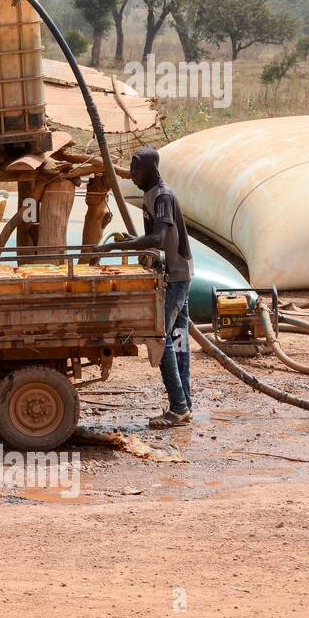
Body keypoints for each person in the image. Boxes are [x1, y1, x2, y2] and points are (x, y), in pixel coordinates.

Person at [96, 147, 194, 427]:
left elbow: (159, 239)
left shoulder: (162, 196)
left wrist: (118, 247)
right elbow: (154, 237)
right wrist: (132, 239)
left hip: (175, 276)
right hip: (175, 274)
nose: (132, 175)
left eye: (135, 169)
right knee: (179, 338)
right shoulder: (152, 195)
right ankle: (184, 405)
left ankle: (178, 407)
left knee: (160, 337)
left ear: (148, 169)